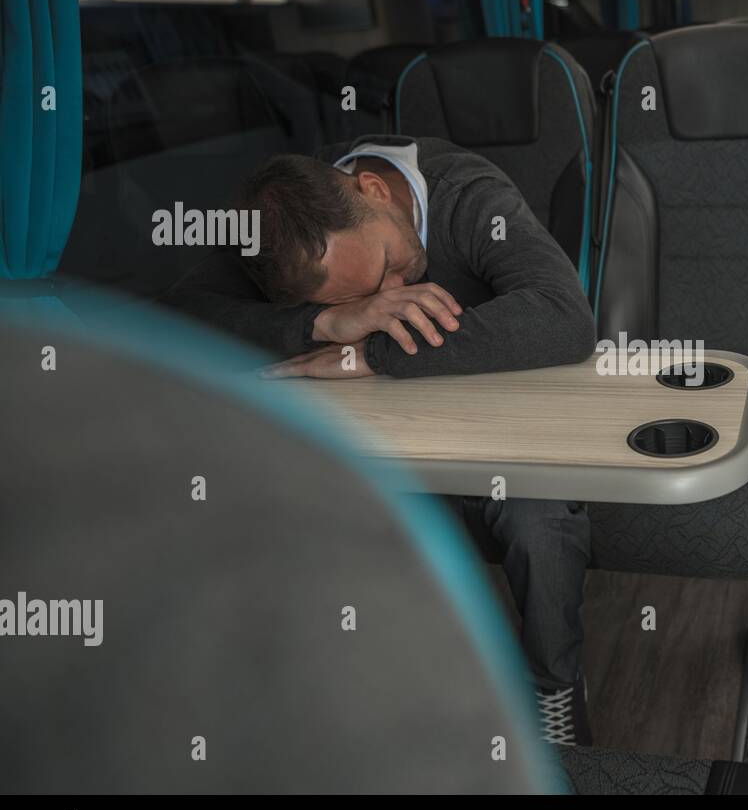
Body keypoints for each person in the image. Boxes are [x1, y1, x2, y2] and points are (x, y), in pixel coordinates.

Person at [163, 134, 596, 745]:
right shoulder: (283, 221)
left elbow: (564, 317)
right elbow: (177, 312)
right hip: (381, 447)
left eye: (390, 265)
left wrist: (371, 351)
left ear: (373, 192)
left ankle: (552, 684)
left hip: (503, 440)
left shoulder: (471, 198)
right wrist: (318, 323)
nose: (391, 295)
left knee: (540, 518)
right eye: (363, 296)